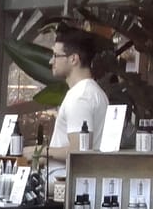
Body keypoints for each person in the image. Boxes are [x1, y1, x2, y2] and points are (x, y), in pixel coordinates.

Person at [22, 27, 109, 179]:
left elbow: (79, 150)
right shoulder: (95, 92)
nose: (51, 61)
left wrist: (41, 151)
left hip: (64, 185)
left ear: (73, 59)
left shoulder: (80, 97)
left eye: (55, 56)